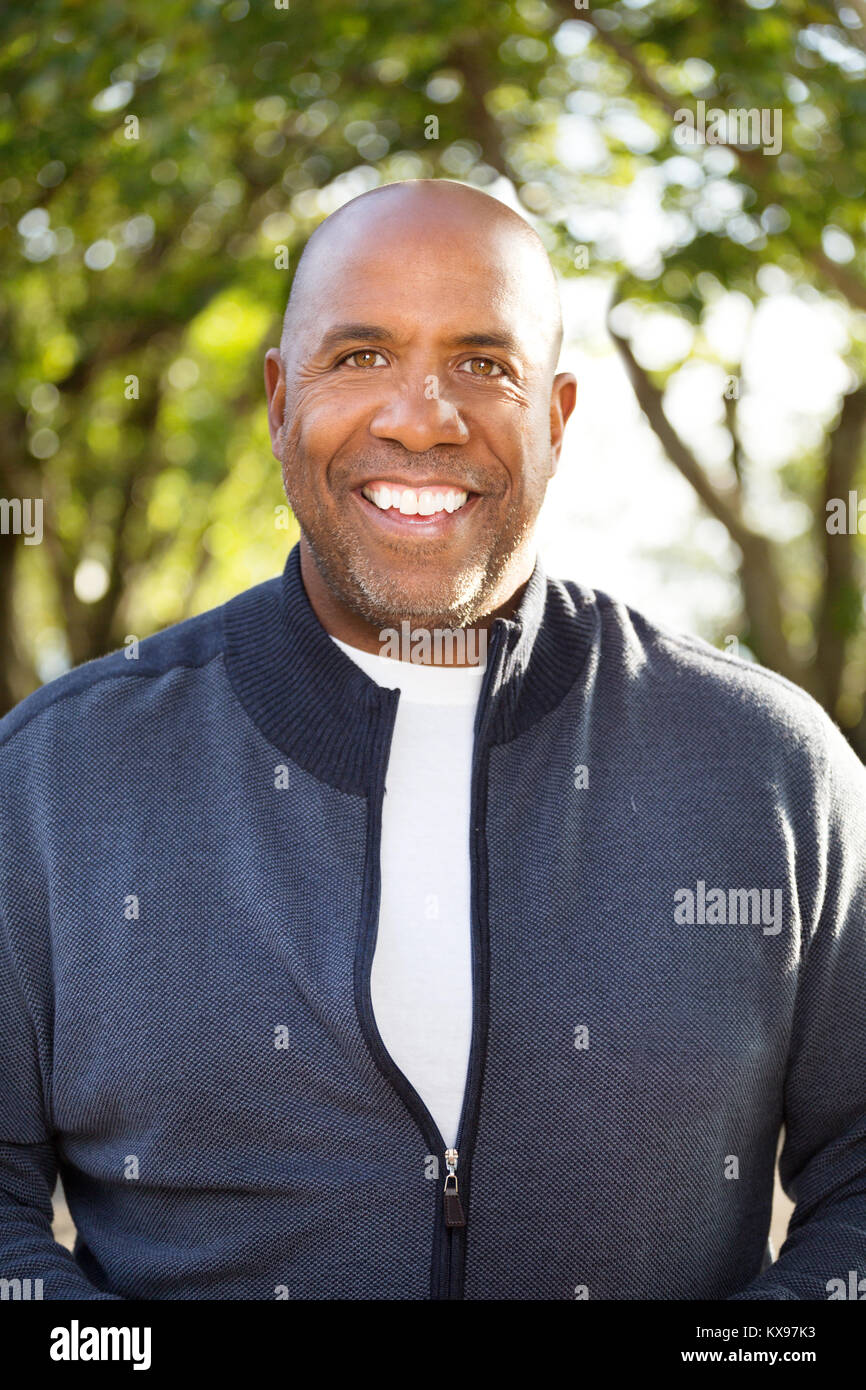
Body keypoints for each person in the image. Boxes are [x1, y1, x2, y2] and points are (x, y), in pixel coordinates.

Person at [1, 179, 864, 1300]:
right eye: (358, 356)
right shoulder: (58, 777)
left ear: (555, 418)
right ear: (276, 400)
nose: (420, 417)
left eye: (482, 364)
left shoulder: (771, 771)